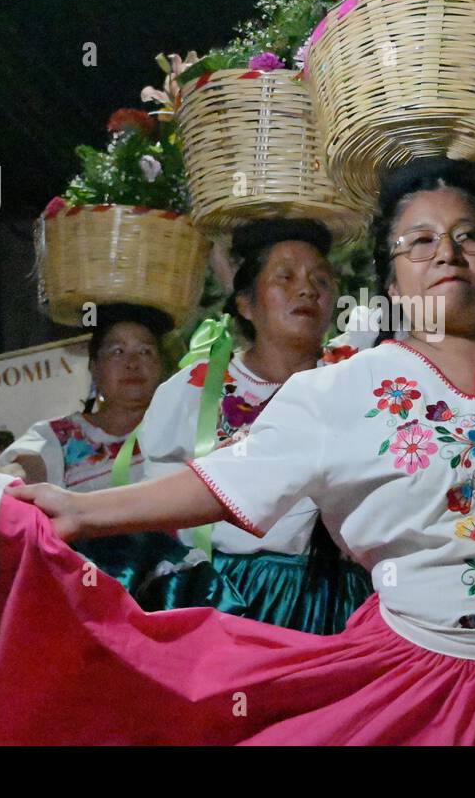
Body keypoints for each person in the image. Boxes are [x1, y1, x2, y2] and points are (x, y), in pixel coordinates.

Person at [0, 43, 475, 745]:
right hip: (437, 694)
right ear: (389, 274)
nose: (448, 251)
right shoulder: (340, 389)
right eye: (420, 240)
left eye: (471, 234)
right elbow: (218, 482)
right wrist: (82, 512)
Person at [137, 218, 373, 634]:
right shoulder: (192, 393)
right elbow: (161, 517)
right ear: (245, 303)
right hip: (233, 601)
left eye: (321, 278)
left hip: (345, 602)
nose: (307, 290)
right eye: (285, 277)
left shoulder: (362, 376)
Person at [0, 302, 182, 593]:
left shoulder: (187, 425)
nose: (133, 363)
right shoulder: (58, 437)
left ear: (160, 365)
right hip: (96, 592)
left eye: (145, 351)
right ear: (94, 367)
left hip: (179, 585)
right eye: (117, 352)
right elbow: (21, 473)